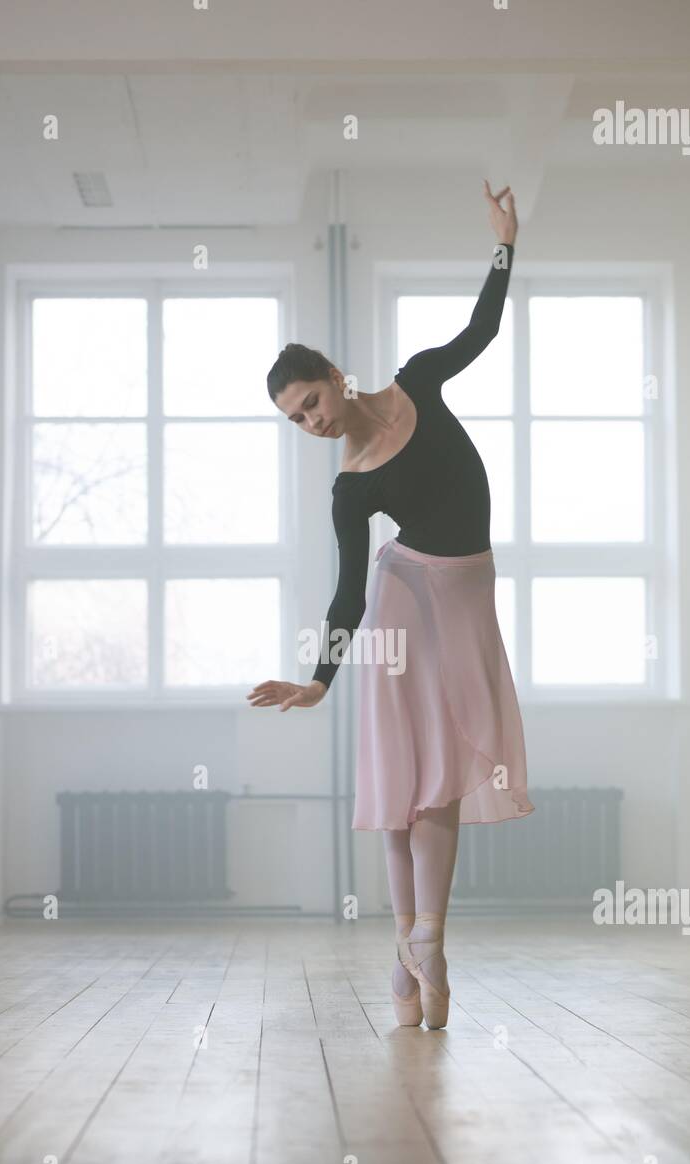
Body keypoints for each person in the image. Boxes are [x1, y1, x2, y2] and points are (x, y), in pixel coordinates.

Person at [249, 180, 534, 1029]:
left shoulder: (419, 380)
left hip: (465, 595)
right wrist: (319, 682)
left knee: (442, 783)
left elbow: (482, 329)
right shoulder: (348, 489)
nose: (310, 423)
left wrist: (505, 240)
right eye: (296, 421)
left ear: (337, 375)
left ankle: (421, 950)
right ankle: (417, 955)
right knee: (405, 784)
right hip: (404, 601)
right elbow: (344, 594)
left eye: (311, 403)